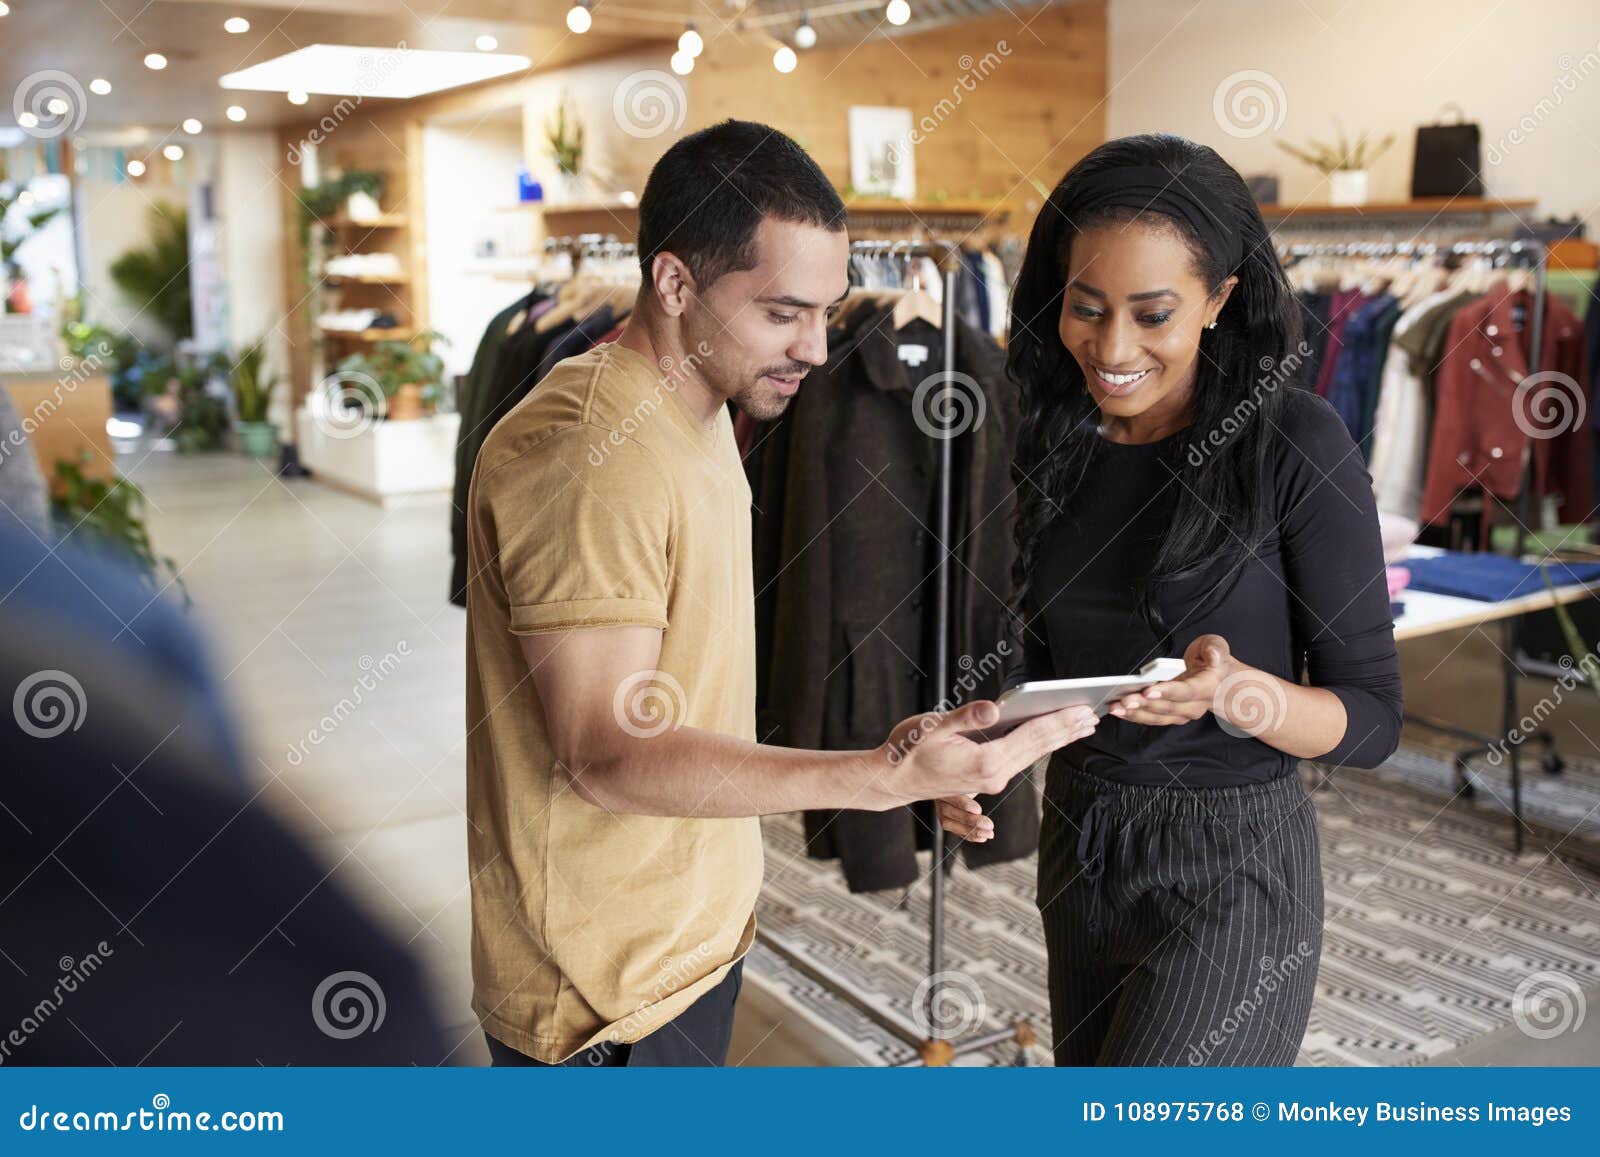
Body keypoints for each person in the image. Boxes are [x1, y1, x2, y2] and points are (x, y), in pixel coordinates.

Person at [463, 119, 1097, 1067]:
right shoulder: (593, 452)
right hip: (603, 1000)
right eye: (781, 311)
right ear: (675, 283)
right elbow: (603, 754)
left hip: (683, 941)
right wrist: (876, 776)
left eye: (827, 310)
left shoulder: (704, 403)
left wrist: (902, 761)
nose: (814, 344)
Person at [937, 133, 1403, 1065]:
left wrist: (1241, 693)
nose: (1112, 349)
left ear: (1220, 299)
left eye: (1153, 314)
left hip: (1234, 864)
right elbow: (1030, 655)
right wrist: (973, 743)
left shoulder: (1294, 442)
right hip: (1083, 841)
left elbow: (1374, 723)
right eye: (1087, 308)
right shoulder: (1043, 433)